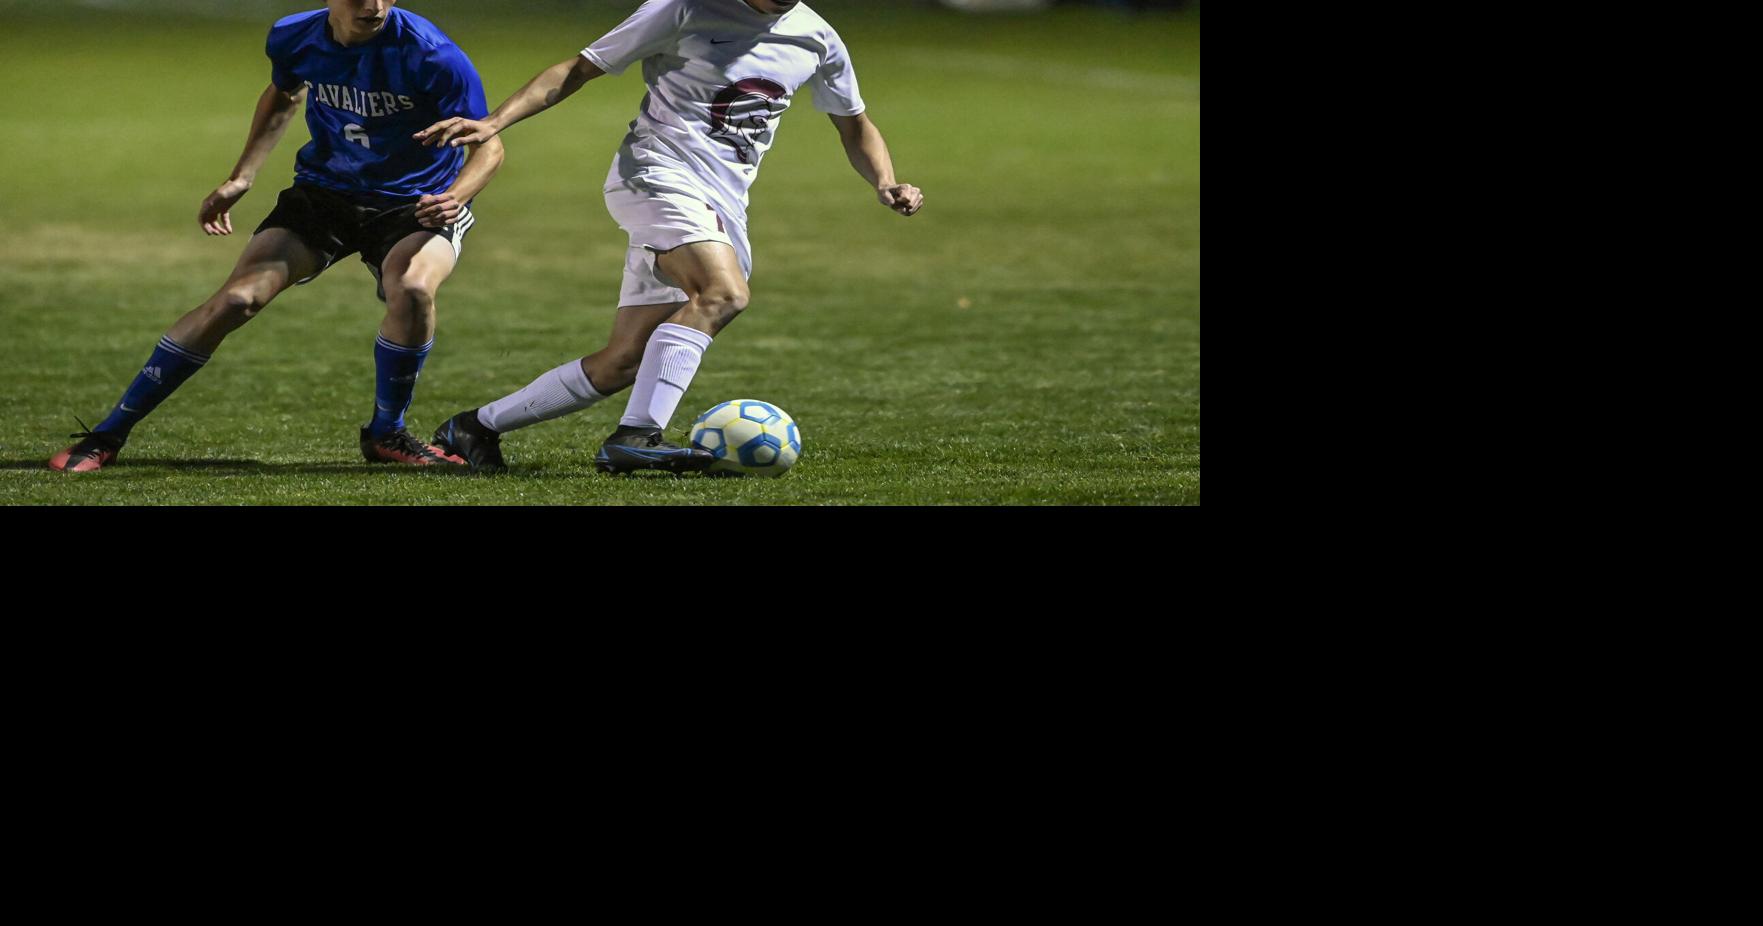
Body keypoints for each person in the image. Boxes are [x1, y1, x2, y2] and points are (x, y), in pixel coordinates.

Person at [417, 0, 923, 475]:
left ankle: (474, 427)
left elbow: (853, 123)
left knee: (623, 361)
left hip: (724, 201)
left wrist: (885, 181)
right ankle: (636, 436)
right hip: (655, 175)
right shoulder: (683, 8)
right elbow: (579, 67)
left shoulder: (817, 37)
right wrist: (493, 122)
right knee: (722, 293)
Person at [49, 0, 502, 473]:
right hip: (326, 192)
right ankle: (109, 433)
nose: (372, 5)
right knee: (236, 299)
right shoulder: (293, 36)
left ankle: (386, 431)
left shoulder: (433, 55)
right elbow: (284, 94)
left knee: (410, 289)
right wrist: (242, 176)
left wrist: (455, 195)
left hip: (416, 201)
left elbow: (489, 143)